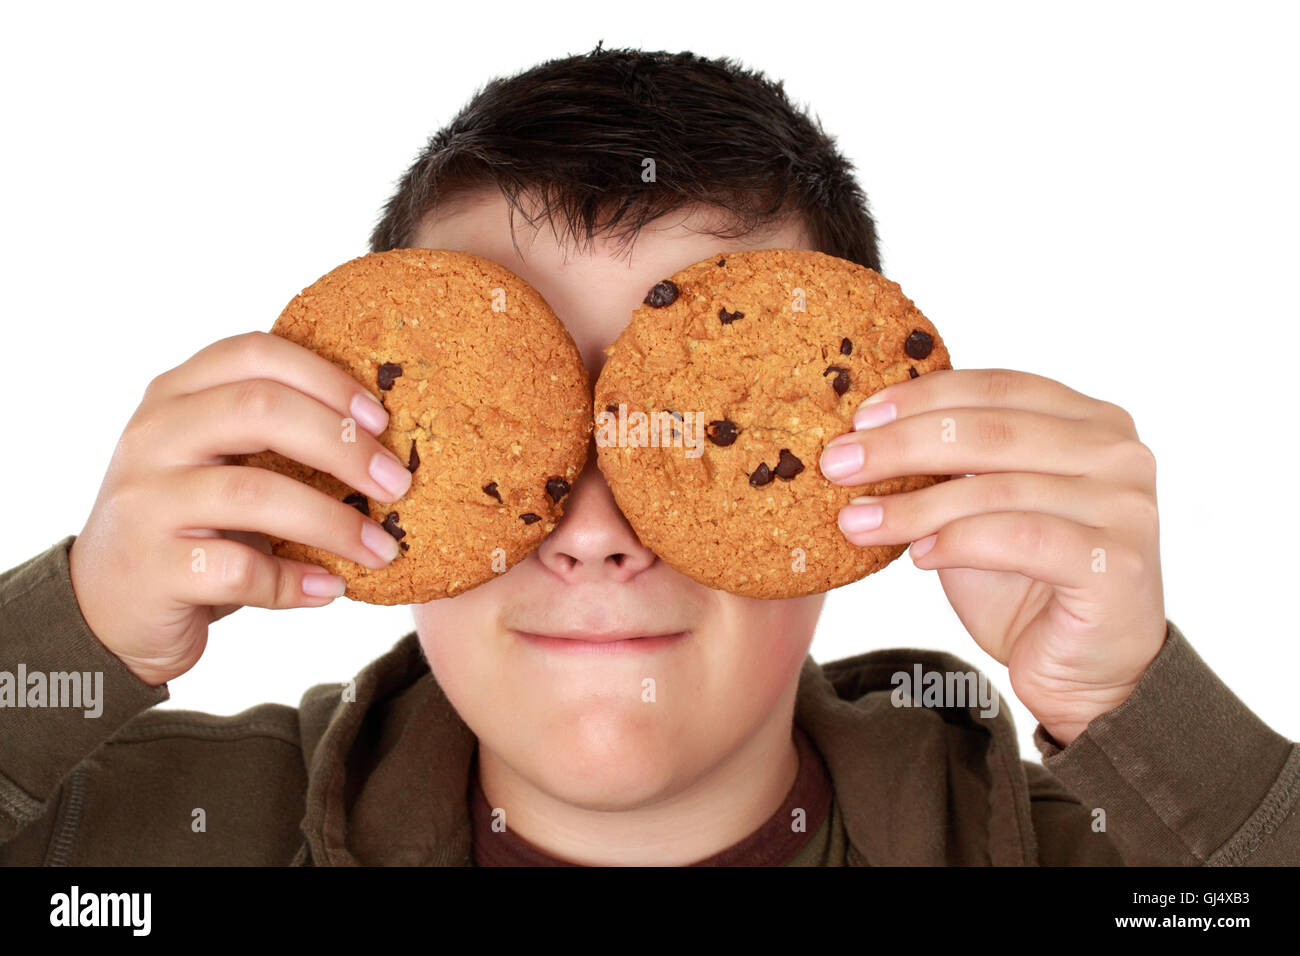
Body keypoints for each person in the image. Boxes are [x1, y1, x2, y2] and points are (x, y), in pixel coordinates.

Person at [2, 46, 1295, 866]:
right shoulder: (152, 837)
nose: (596, 526)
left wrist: (1134, 708)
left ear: (871, 456)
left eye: (682, 428)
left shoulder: (1123, 860)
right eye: (538, 419)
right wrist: (74, 635)